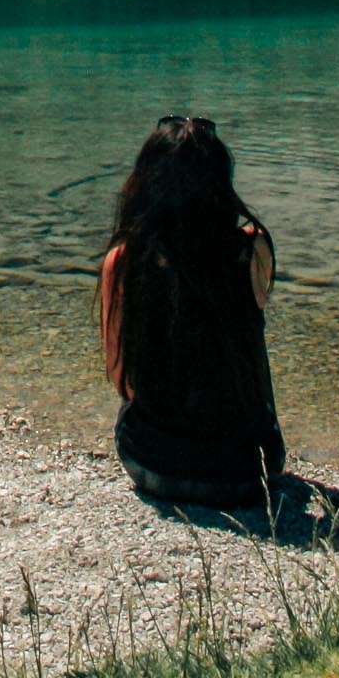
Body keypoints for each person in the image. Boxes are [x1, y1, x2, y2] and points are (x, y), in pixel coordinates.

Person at [99, 114, 285, 507]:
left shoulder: (125, 261)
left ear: (145, 184)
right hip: (247, 474)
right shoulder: (252, 249)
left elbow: (122, 379)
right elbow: (248, 331)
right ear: (220, 184)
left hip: (154, 466)